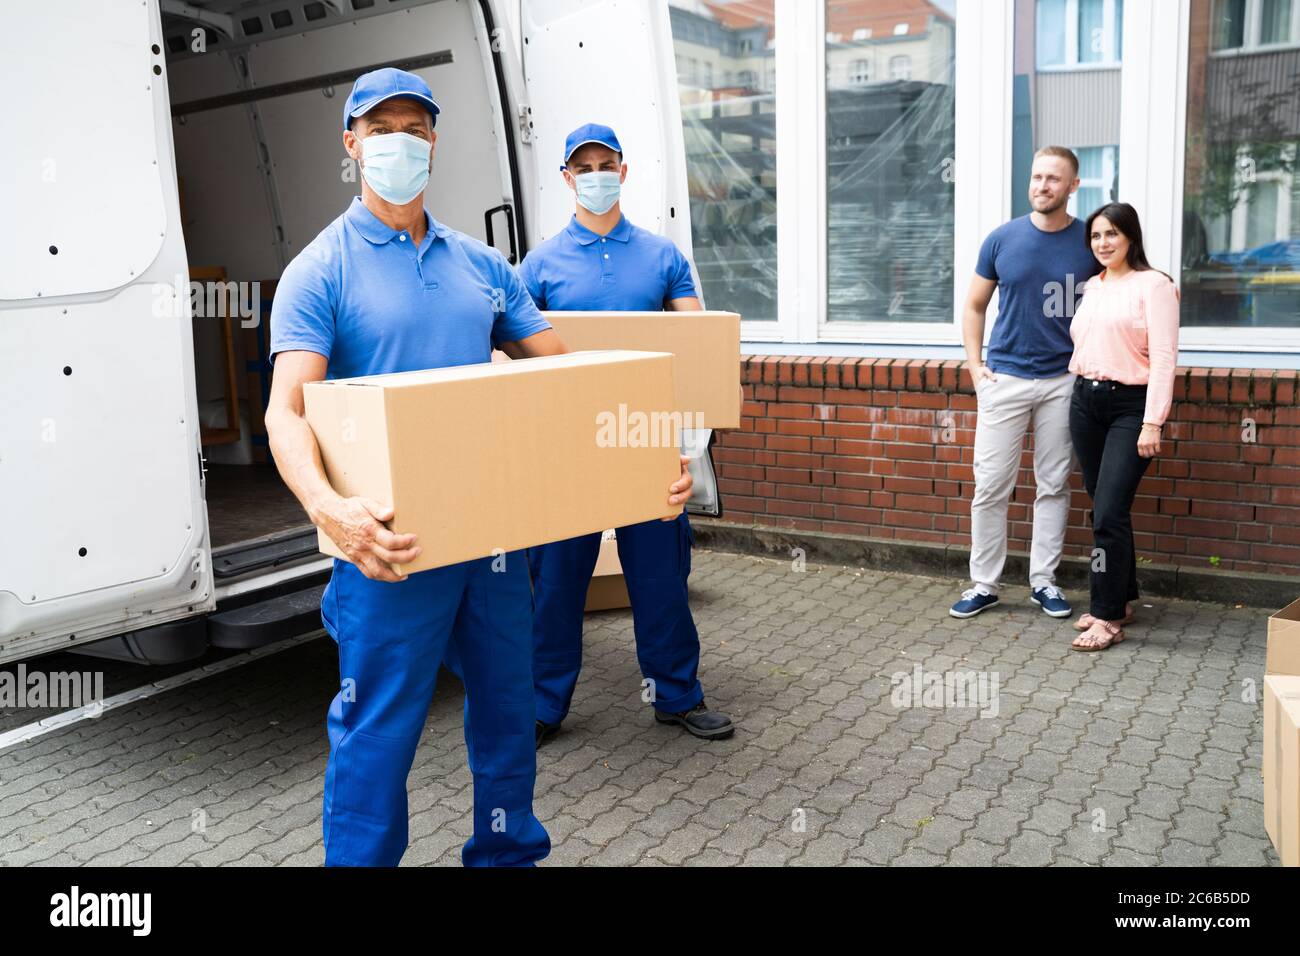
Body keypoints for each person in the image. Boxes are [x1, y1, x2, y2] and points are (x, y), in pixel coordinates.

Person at [264, 73, 694, 866]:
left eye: (416, 127)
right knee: (378, 732)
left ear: (434, 142)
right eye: (381, 126)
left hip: (492, 540)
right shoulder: (321, 270)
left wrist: (651, 464)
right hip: (388, 546)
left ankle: (507, 854)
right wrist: (330, 509)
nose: (400, 140)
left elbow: (570, 385)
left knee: (505, 710)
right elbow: (286, 410)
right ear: (351, 142)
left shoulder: (481, 266)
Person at [518, 123, 734, 745]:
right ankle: (541, 705)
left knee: (660, 574)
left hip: (646, 437)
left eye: (604, 163)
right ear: (565, 178)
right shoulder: (540, 263)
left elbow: (697, 351)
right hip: (569, 444)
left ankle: (677, 695)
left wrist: (689, 448)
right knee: (557, 580)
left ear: (623, 169)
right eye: (581, 167)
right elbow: (512, 355)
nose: (595, 175)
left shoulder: (664, 257)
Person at [952, 146, 1102, 620]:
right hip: (1006, 377)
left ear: (1073, 186)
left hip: (1063, 381)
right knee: (991, 485)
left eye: (1054, 179)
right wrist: (976, 369)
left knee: (1054, 484)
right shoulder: (1002, 239)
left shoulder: (1090, 242)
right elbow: (974, 306)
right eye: (1037, 177)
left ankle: (1044, 581)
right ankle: (984, 583)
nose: (1043, 185)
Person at [1067, 202, 1180, 651]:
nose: (1103, 243)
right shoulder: (1093, 286)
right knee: (1106, 509)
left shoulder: (1155, 286)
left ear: (1130, 236)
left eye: (1112, 234)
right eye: (1095, 236)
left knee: (1109, 513)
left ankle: (1107, 615)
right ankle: (1122, 597)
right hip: (1085, 404)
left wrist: (1153, 421)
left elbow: (1165, 359)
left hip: (1130, 408)